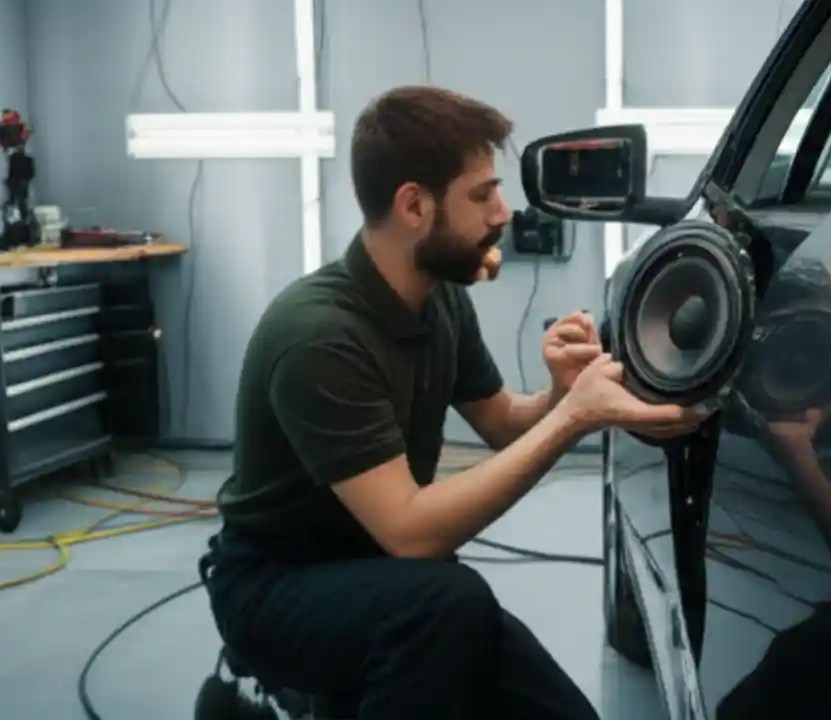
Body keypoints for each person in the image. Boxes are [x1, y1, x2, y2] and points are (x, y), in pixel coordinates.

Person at [197, 86, 701, 720]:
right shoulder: (320, 337)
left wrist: (557, 394)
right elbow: (410, 533)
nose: (502, 212)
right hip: (276, 586)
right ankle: (289, 686)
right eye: (482, 193)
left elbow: (500, 423)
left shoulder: (438, 298)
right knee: (445, 601)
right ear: (414, 205)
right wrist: (575, 419)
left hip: (384, 576)